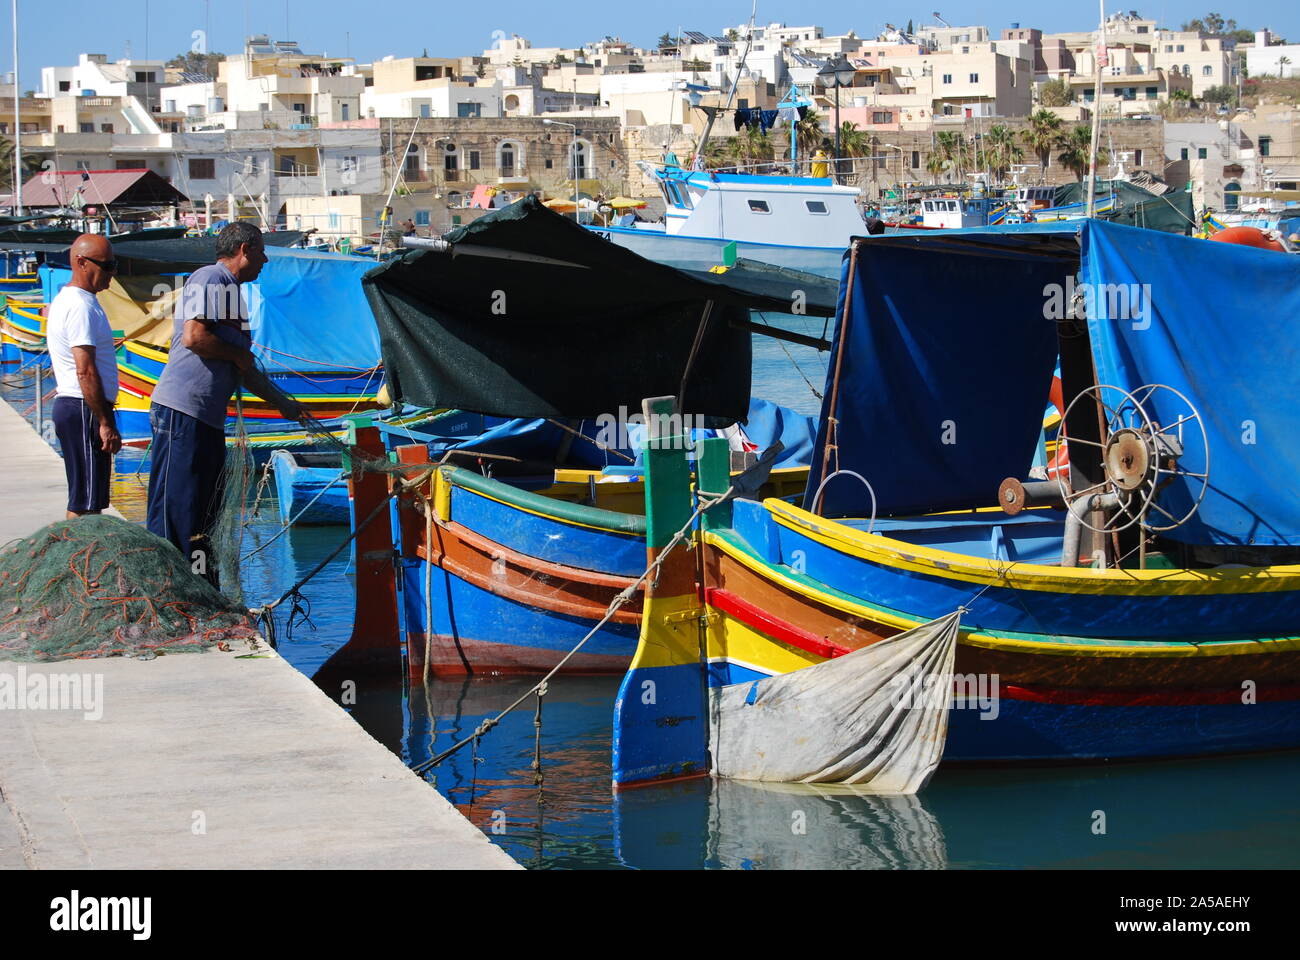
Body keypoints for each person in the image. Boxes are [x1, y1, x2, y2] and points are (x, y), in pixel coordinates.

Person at [146, 221, 270, 580]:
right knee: (176, 509)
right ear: (244, 250)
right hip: (182, 411)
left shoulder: (233, 293)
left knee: (203, 515)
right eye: (261, 252)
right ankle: (165, 587)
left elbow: (243, 367)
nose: (265, 261)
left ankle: (200, 586)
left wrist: (288, 405)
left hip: (208, 419)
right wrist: (236, 355)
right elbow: (195, 337)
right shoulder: (211, 278)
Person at [45, 234, 122, 519]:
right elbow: (85, 370)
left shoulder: (70, 300)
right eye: (107, 265)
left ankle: (78, 558)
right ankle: (79, 560)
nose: (112, 273)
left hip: (79, 407)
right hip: (84, 408)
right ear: (81, 262)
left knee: (87, 497)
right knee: (86, 504)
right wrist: (105, 422)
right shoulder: (80, 306)